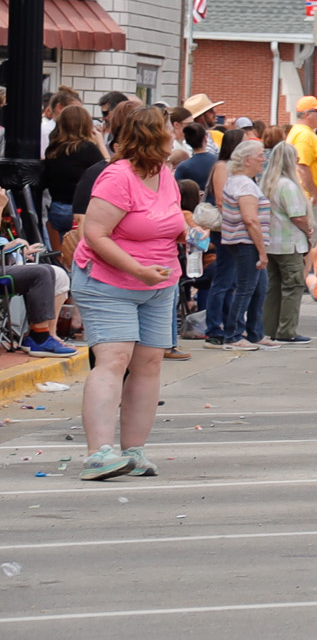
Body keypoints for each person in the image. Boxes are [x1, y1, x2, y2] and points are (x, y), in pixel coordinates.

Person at [70, 105, 183, 481]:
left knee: (149, 363)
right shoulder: (117, 176)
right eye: (171, 128)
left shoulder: (165, 173)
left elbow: (163, 218)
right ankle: (99, 453)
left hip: (160, 280)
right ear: (155, 134)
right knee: (114, 359)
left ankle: (133, 451)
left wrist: (182, 231)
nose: (177, 133)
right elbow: (95, 233)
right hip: (109, 281)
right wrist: (136, 269)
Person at [206, 140, 270, 349]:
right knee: (246, 288)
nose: (263, 159)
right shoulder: (244, 184)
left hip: (238, 240)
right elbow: (250, 219)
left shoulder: (236, 181)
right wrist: (262, 251)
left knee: (258, 287)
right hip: (246, 241)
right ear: (247, 159)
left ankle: (254, 333)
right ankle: (233, 335)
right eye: (260, 155)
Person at [260, 141, 313, 344]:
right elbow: (297, 215)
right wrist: (308, 231)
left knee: (273, 286)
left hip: (270, 242)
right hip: (289, 243)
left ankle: (269, 327)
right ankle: (287, 329)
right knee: (293, 286)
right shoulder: (289, 186)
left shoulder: (267, 183)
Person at [40, 103, 102, 238]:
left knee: (63, 250)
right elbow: (106, 172)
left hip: (57, 208)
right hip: (81, 211)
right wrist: (101, 144)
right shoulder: (89, 149)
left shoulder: (53, 149)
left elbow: (45, 180)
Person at [287, 97, 317, 200]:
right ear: (307, 115)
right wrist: (314, 194)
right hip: (309, 197)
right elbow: (302, 167)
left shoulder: (298, 131)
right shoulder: (305, 135)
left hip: (305, 195)